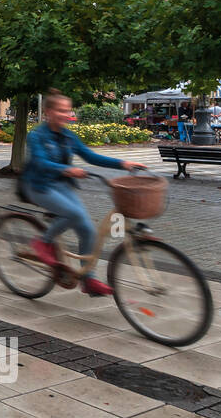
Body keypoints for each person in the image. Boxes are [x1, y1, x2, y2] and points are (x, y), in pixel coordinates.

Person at [23, 90, 145, 296]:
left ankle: (88, 280)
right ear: (48, 112)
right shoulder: (36, 136)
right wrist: (67, 169)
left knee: (88, 230)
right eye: (60, 110)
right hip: (38, 186)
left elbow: (90, 156)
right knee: (74, 213)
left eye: (68, 110)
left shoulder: (68, 136)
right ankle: (43, 242)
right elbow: (40, 162)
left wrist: (123, 163)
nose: (65, 114)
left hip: (62, 186)